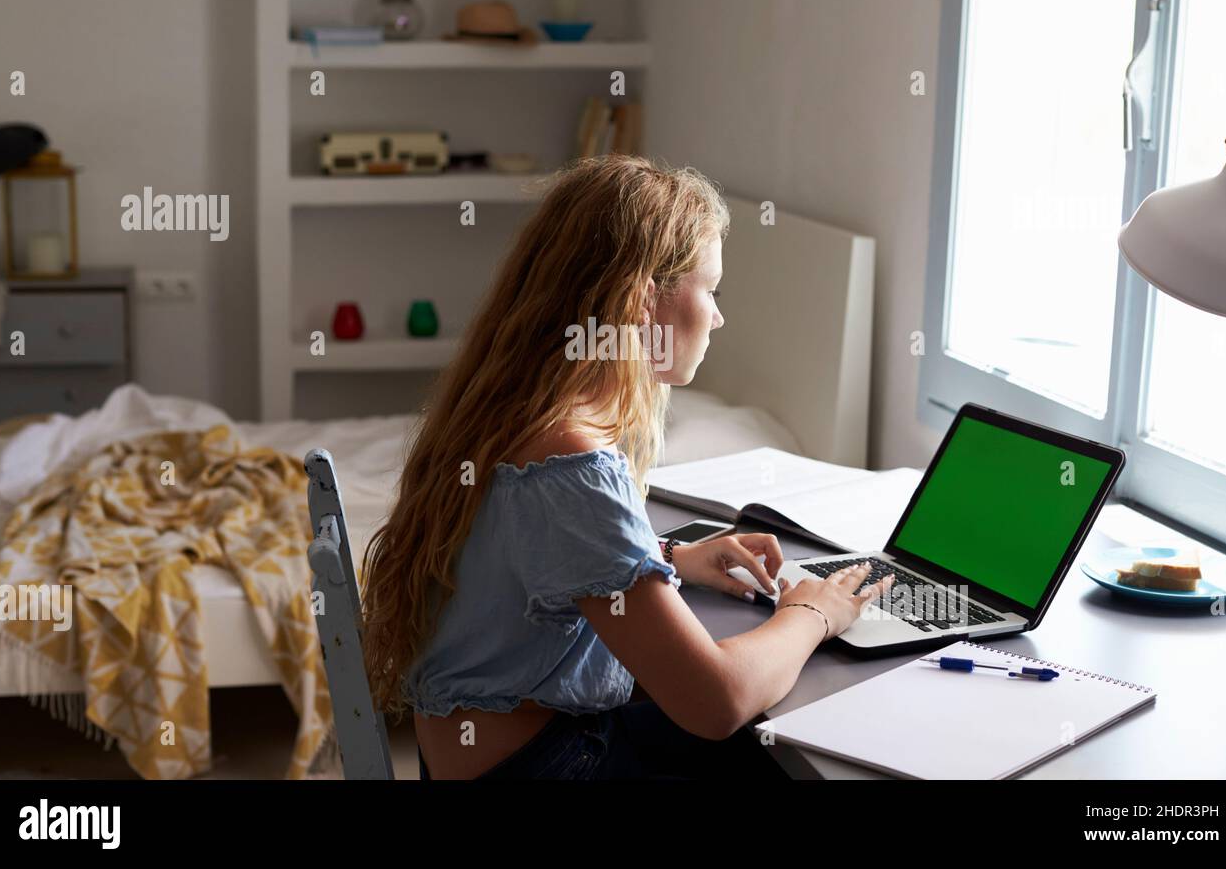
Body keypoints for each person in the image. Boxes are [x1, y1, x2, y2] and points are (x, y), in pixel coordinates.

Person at [360, 154, 893, 779]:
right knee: (768, 748)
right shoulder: (571, 462)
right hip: (546, 765)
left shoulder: (510, 412)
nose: (718, 316)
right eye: (711, 289)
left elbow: (531, 556)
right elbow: (714, 700)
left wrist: (666, 559)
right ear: (642, 301)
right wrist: (814, 613)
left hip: (483, 757)